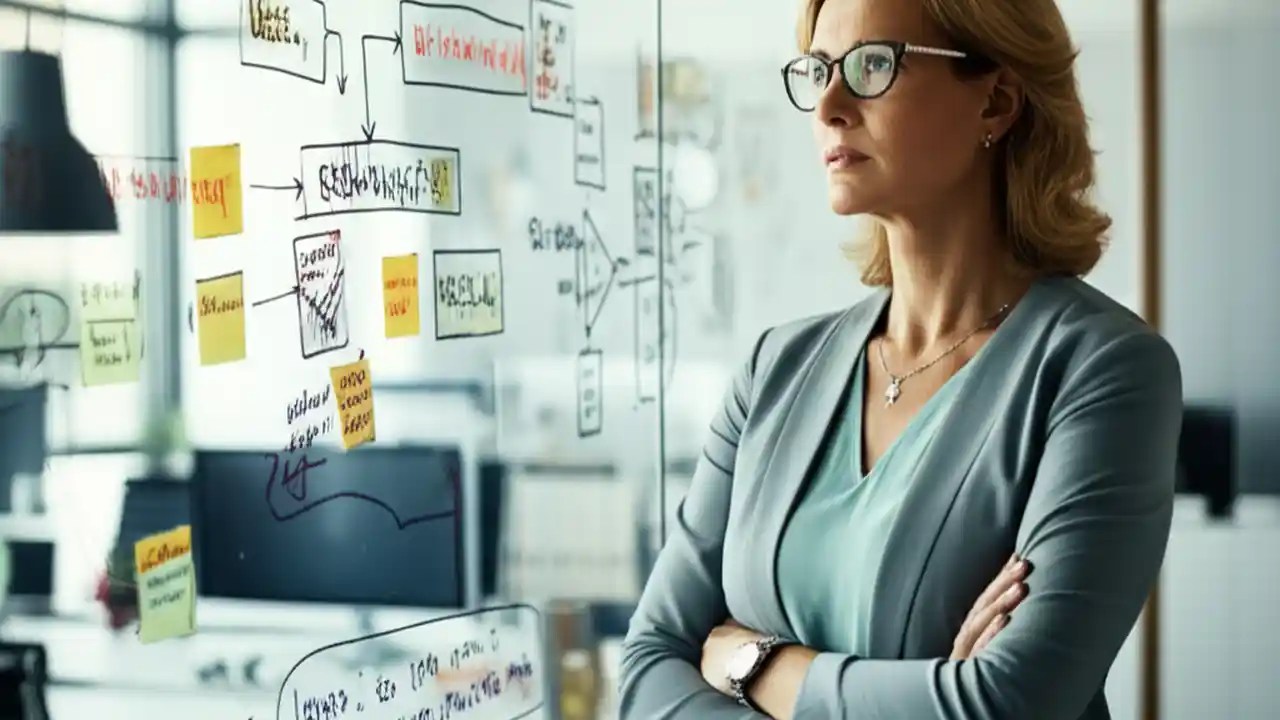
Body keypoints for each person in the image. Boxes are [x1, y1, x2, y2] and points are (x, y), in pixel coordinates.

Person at [618, 0, 1183, 718]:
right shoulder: (773, 370)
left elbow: (1006, 702)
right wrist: (921, 692)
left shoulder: (1104, 370)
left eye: (873, 65)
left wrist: (751, 662)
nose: (827, 105)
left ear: (997, 100)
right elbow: (646, 669)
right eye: (818, 70)